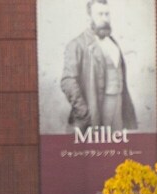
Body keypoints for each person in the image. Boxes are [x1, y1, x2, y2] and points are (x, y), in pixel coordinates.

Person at [59, 0, 137, 132]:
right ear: (89, 17)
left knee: (115, 148)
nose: (105, 19)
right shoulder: (77, 45)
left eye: (107, 14)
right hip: (96, 108)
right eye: (100, 14)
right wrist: (84, 112)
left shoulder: (113, 43)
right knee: (96, 149)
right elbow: (68, 81)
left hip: (118, 107)